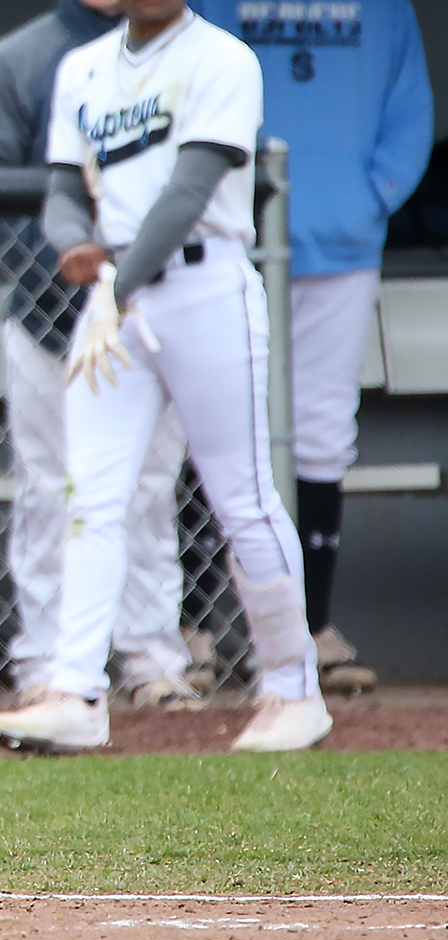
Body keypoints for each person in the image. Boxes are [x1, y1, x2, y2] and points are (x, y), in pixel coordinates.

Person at [0, 0, 331, 753]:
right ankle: (75, 689)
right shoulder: (83, 66)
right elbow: (63, 190)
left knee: (241, 496)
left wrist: (115, 284)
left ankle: (293, 688)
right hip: (116, 301)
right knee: (92, 494)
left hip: (202, 287)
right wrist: (74, 244)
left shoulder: (221, 58)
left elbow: (188, 192)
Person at [0, 0, 200, 711]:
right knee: (47, 492)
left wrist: (125, 283)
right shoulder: (23, 56)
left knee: (149, 488)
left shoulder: (188, 50)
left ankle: (150, 653)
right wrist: (66, 273)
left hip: (150, 306)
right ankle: (44, 659)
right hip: (49, 313)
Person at [197, 0, 434, 694]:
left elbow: (410, 108)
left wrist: (370, 197)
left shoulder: (387, 8)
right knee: (207, 425)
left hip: (341, 246)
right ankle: (197, 632)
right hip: (228, 240)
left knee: (323, 432)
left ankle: (312, 626)